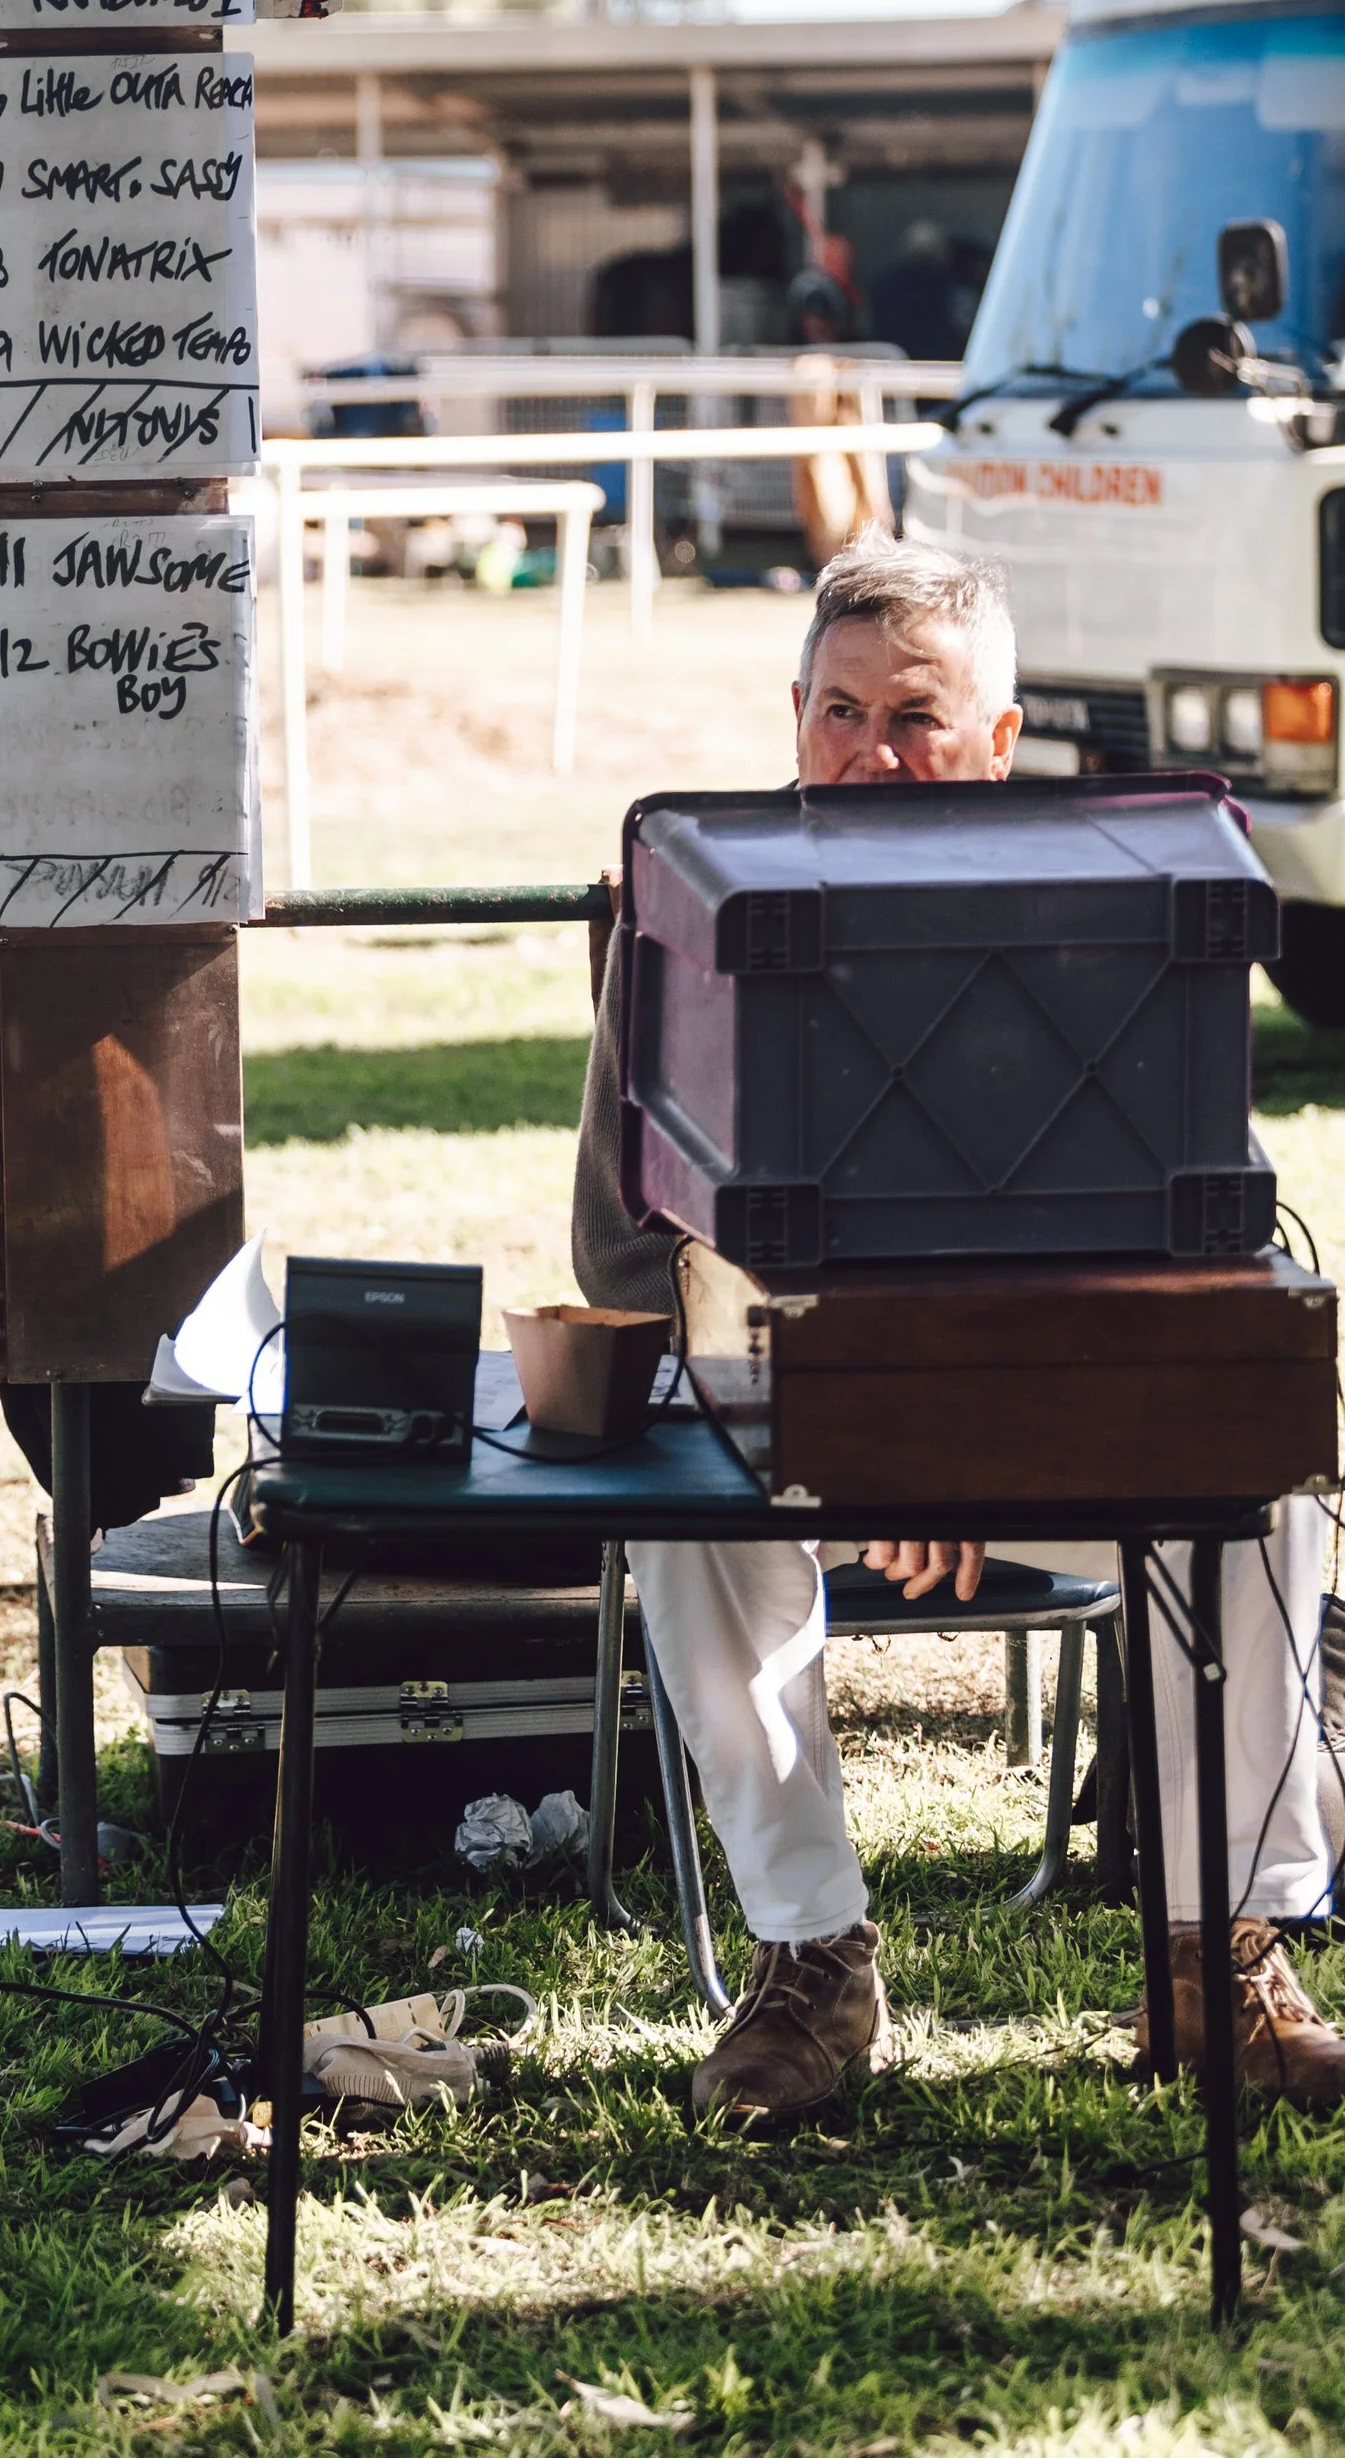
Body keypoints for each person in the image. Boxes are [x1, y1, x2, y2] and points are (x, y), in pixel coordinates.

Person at [572, 533, 1344, 2126]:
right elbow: (619, 1246)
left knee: (1271, 1479)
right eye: (840, 711)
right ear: (792, 715)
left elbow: (1188, 1226)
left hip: (1053, 1416)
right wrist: (872, 1428)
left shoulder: (1128, 908)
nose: (872, 752)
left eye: (916, 715)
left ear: (1002, 739)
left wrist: (981, 1440)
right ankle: (811, 1954)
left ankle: (1226, 1949)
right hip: (792, 1413)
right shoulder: (689, 916)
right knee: (683, 1514)